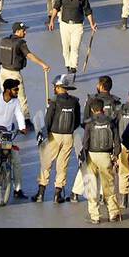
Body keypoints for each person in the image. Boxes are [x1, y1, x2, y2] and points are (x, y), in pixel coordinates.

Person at [36, 74, 81, 203]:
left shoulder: (54, 101)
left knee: (46, 164)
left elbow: (48, 120)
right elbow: (77, 121)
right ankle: (57, 195)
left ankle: (40, 194)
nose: (54, 88)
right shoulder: (75, 102)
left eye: (55, 86)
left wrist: (45, 134)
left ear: (59, 87)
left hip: (54, 136)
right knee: (62, 166)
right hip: (68, 137)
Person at [80, 97, 123, 223]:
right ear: (103, 109)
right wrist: (115, 155)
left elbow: (85, 142)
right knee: (109, 185)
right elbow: (117, 141)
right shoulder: (111, 122)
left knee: (92, 185)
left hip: (91, 156)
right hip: (106, 156)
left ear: (93, 110)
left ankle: (95, 216)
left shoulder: (89, 123)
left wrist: (83, 156)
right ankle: (113, 213)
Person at [50, 0, 96, 72]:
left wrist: (92, 24)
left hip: (77, 25)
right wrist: (52, 21)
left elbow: (87, 10)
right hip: (64, 24)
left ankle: (73, 68)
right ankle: (68, 65)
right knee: (65, 48)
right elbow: (56, 7)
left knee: (75, 48)